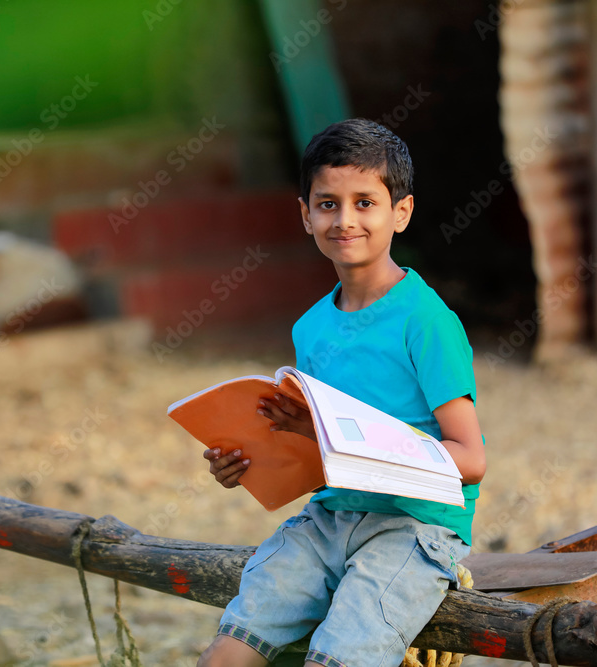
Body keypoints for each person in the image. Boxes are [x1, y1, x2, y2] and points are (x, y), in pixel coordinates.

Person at [197, 118, 486, 667]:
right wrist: (247, 461)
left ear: (400, 213)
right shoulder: (311, 328)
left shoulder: (426, 322)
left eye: (364, 203)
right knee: (230, 649)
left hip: (415, 528)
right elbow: (322, 457)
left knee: (339, 657)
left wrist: (361, 446)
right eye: (327, 204)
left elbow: (470, 460)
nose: (345, 219)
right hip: (328, 519)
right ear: (305, 214)